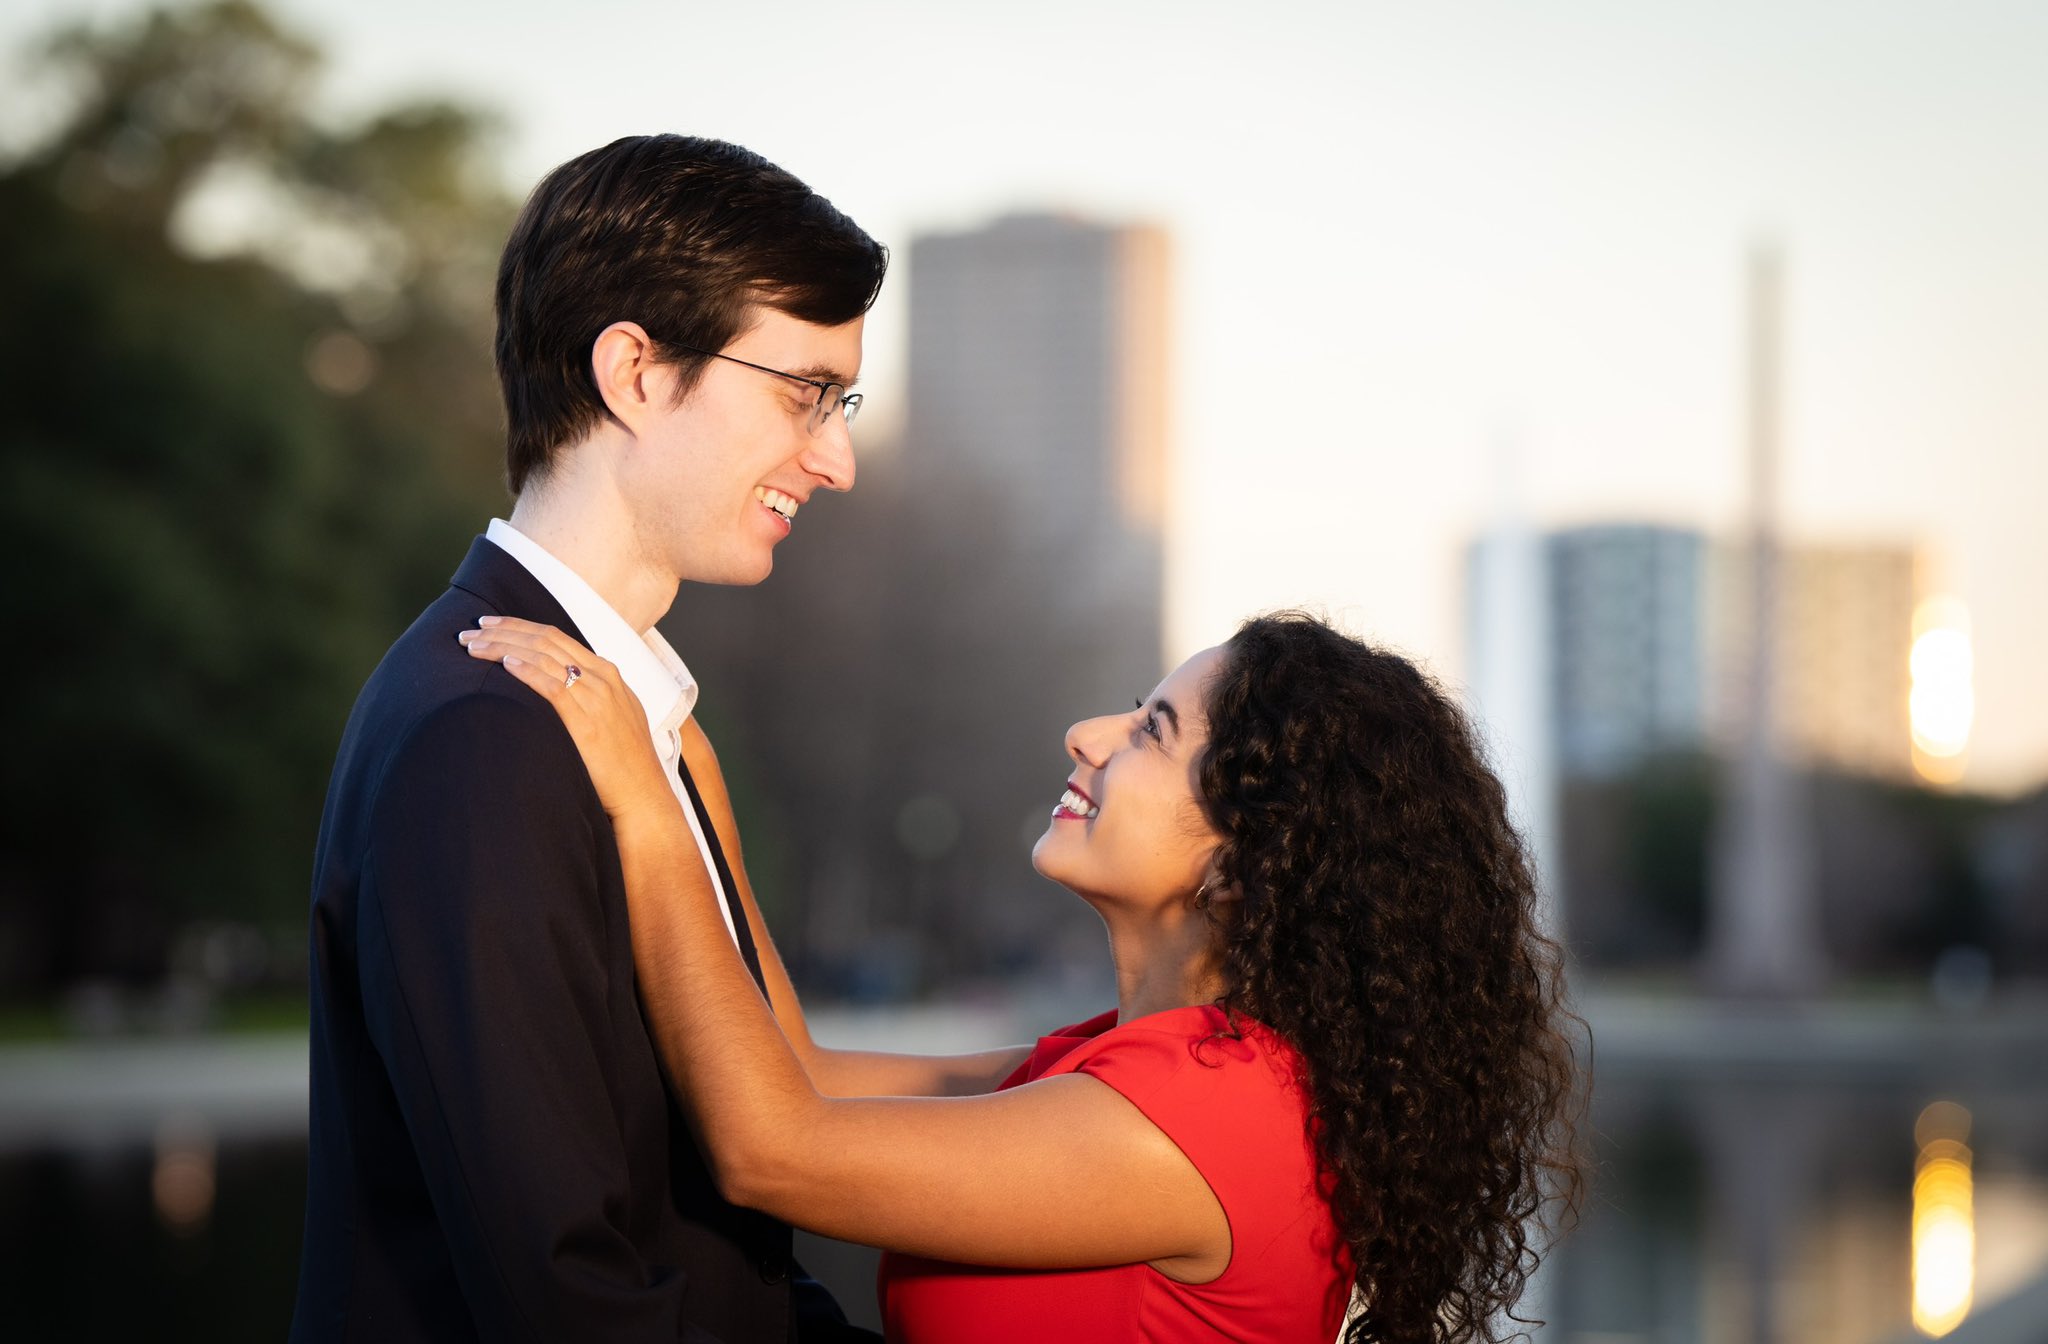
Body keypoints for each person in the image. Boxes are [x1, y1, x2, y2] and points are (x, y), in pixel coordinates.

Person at [458, 610, 1587, 1343]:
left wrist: (645, 821)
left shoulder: (1209, 1114)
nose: (1085, 733)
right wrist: (692, 776)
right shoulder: (1127, 1066)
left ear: (1245, 859)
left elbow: (769, 1148)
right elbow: (798, 1070)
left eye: (1148, 731)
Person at [292, 134, 918, 1343]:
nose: (832, 457)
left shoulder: (635, 724)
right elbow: (569, 1295)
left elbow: (716, 1247)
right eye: (803, 392)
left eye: (839, 403)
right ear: (635, 370)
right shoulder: (483, 734)